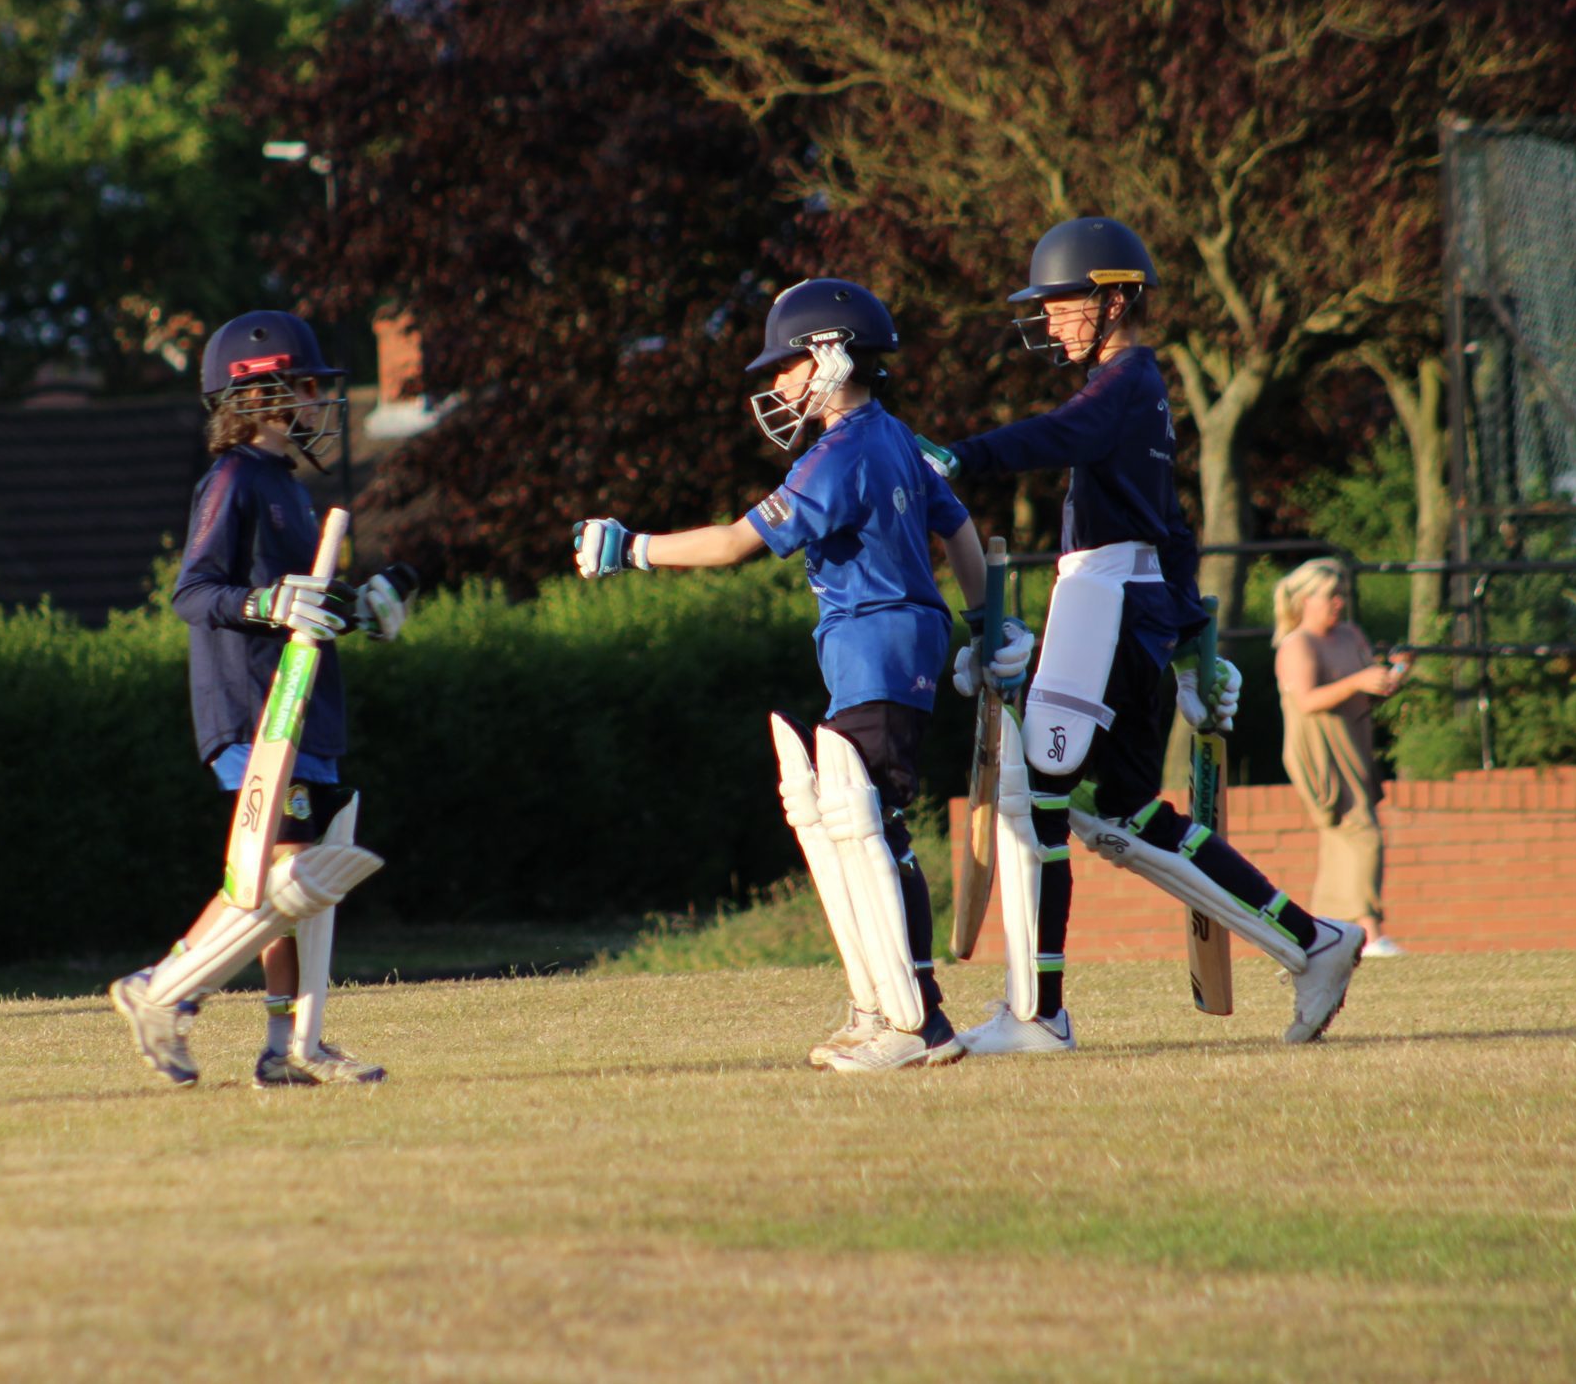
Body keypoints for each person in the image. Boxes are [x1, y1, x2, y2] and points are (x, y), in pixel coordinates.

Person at [918, 218, 1366, 1046]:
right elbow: (1174, 525)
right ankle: (1314, 942)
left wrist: (960, 457)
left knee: (1038, 798)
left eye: (1062, 303)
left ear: (1114, 299)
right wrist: (1194, 635)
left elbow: (1063, 437)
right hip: (1118, 599)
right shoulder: (1140, 390)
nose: (1050, 320)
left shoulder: (1122, 387)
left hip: (1104, 600)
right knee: (1119, 811)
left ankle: (1040, 1014)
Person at [572, 277, 1026, 1074]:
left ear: (829, 355)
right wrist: (985, 624)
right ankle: (882, 1002)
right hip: (893, 647)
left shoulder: (840, 454)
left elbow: (733, 543)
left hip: (875, 648)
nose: (777, 385)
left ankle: (914, 1021)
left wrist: (630, 547)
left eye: (785, 365)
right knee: (866, 826)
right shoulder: (893, 435)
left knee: (869, 830)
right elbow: (958, 525)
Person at [107, 311, 414, 1088]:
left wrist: (359, 607)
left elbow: (302, 603)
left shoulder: (285, 484)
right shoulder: (234, 476)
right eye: (306, 385)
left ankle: (292, 1045)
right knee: (282, 872)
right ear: (261, 390)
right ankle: (161, 988)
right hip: (254, 710)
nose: (317, 401)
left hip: (307, 708)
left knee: (303, 884)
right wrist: (271, 604)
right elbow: (197, 591)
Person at [1271, 558, 1409, 957]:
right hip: (1319, 747)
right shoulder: (1297, 644)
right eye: (1330, 595)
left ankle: (1326, 929)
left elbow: (1368, 685)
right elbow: (1308, 699)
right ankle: (1368, 930)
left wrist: (1393, 676)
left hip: (1354, 741)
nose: (1338, 602)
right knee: (1361, 831)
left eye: (1340, 594)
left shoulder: (1350, 635)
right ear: (1305, 600)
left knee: (1340, 837)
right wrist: (1357, 681)